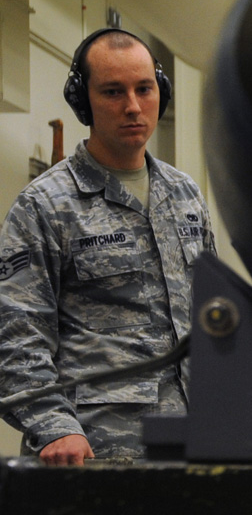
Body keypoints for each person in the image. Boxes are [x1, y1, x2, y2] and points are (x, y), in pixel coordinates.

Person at [0, 29, 216, 465]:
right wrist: (55, 428)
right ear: (83, 101)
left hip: (195, 445)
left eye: (144, 89)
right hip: (96, 454)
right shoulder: (45, 205)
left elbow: (213, 318)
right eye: (113, 92)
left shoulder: (185, 195)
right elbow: (16, 335)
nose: (133, 106)